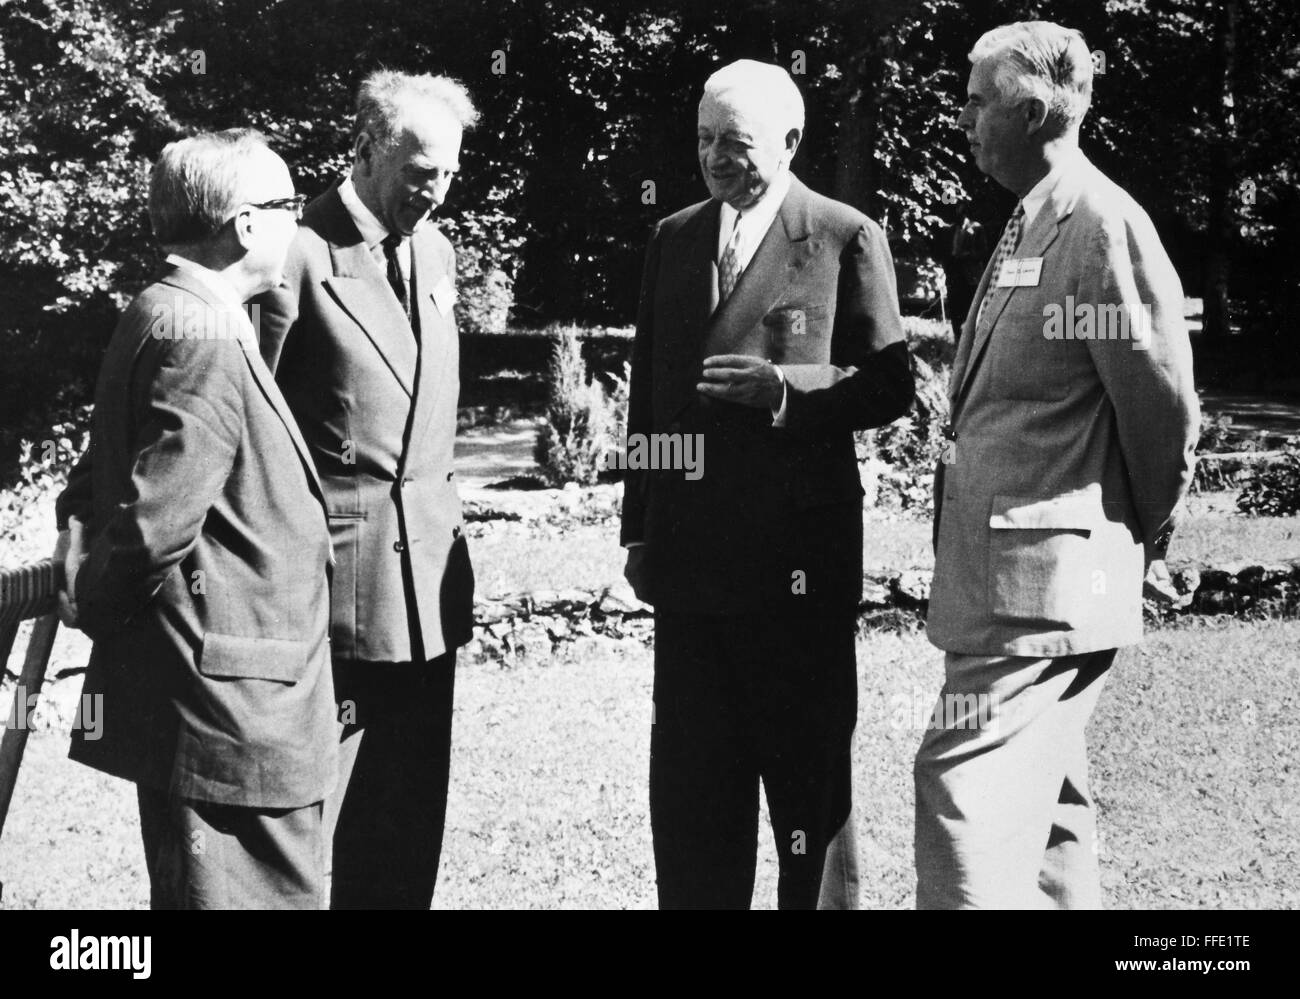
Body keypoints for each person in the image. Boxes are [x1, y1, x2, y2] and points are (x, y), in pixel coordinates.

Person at [918, 21, 1200, 908]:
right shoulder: (1033, 218)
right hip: (1013, 589)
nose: (963, 117)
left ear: (1033, 112)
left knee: (960, 796)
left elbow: (1160, 413)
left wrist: (1130, 539)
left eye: (977, 101)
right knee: (1048, 825)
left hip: (1036, 598)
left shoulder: (1101, 225)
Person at [622, 59, 914, 909]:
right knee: (693, 795)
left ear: (790, 140)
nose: (715, 157)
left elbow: (891, 383)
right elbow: (649, 392)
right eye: (704, 138)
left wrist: (786, 392)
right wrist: (639, 527)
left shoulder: (843, 235)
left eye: (736, 142)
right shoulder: (674, 236)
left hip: (796, 567)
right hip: (690, 567)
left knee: (805, 794)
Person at [54, 129, 335, 908]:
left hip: (222, 697)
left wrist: (74, 533)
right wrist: (89, 596)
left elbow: (99, 470)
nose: (300, 222)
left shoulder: (166, 309)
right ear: (245, 224)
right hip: (230, 708)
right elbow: (156, 522)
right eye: (288, 205)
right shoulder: (201, 333)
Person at [253, 70, 478, 909]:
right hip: (334, 599)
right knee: (317, 841)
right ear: (364, 148)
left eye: (450, 173)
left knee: (408, 832)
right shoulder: (295, 255)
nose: (437, 192)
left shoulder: (437, 252)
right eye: (420, 172)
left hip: (428, 596)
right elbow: (240, 423)